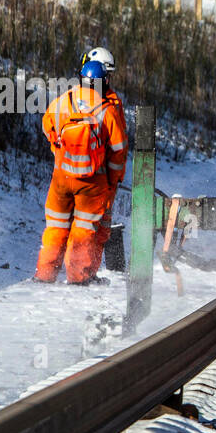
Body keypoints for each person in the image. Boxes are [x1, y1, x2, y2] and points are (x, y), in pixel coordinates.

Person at [35, 59, 127, 285]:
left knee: (55, 228)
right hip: (92, 183)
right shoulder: (107, 111)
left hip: (61, 178)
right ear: (105, 81)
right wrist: (112, 182)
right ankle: (78, 279)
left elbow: (48, 125)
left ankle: (44, 276)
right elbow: (119, 151)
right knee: (83, 231)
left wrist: (58, 148)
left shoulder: (63, 102)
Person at [79, 46, 127, 268]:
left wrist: (115, 175)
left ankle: (90, 268)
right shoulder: (75, 98)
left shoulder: (113, 103)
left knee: (101, 223)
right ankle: (81, 266)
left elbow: (118, 143)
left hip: (102, 173)